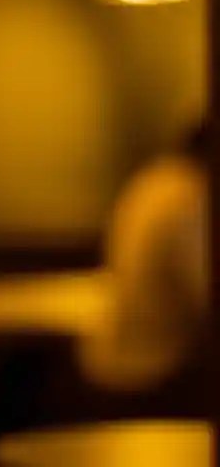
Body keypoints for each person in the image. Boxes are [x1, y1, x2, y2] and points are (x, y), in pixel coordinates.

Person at [79, 120, 208, 407]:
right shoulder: (191, 196)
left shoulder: (153, 180)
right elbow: (205, 298)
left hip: (107, 366)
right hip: (154, 377)